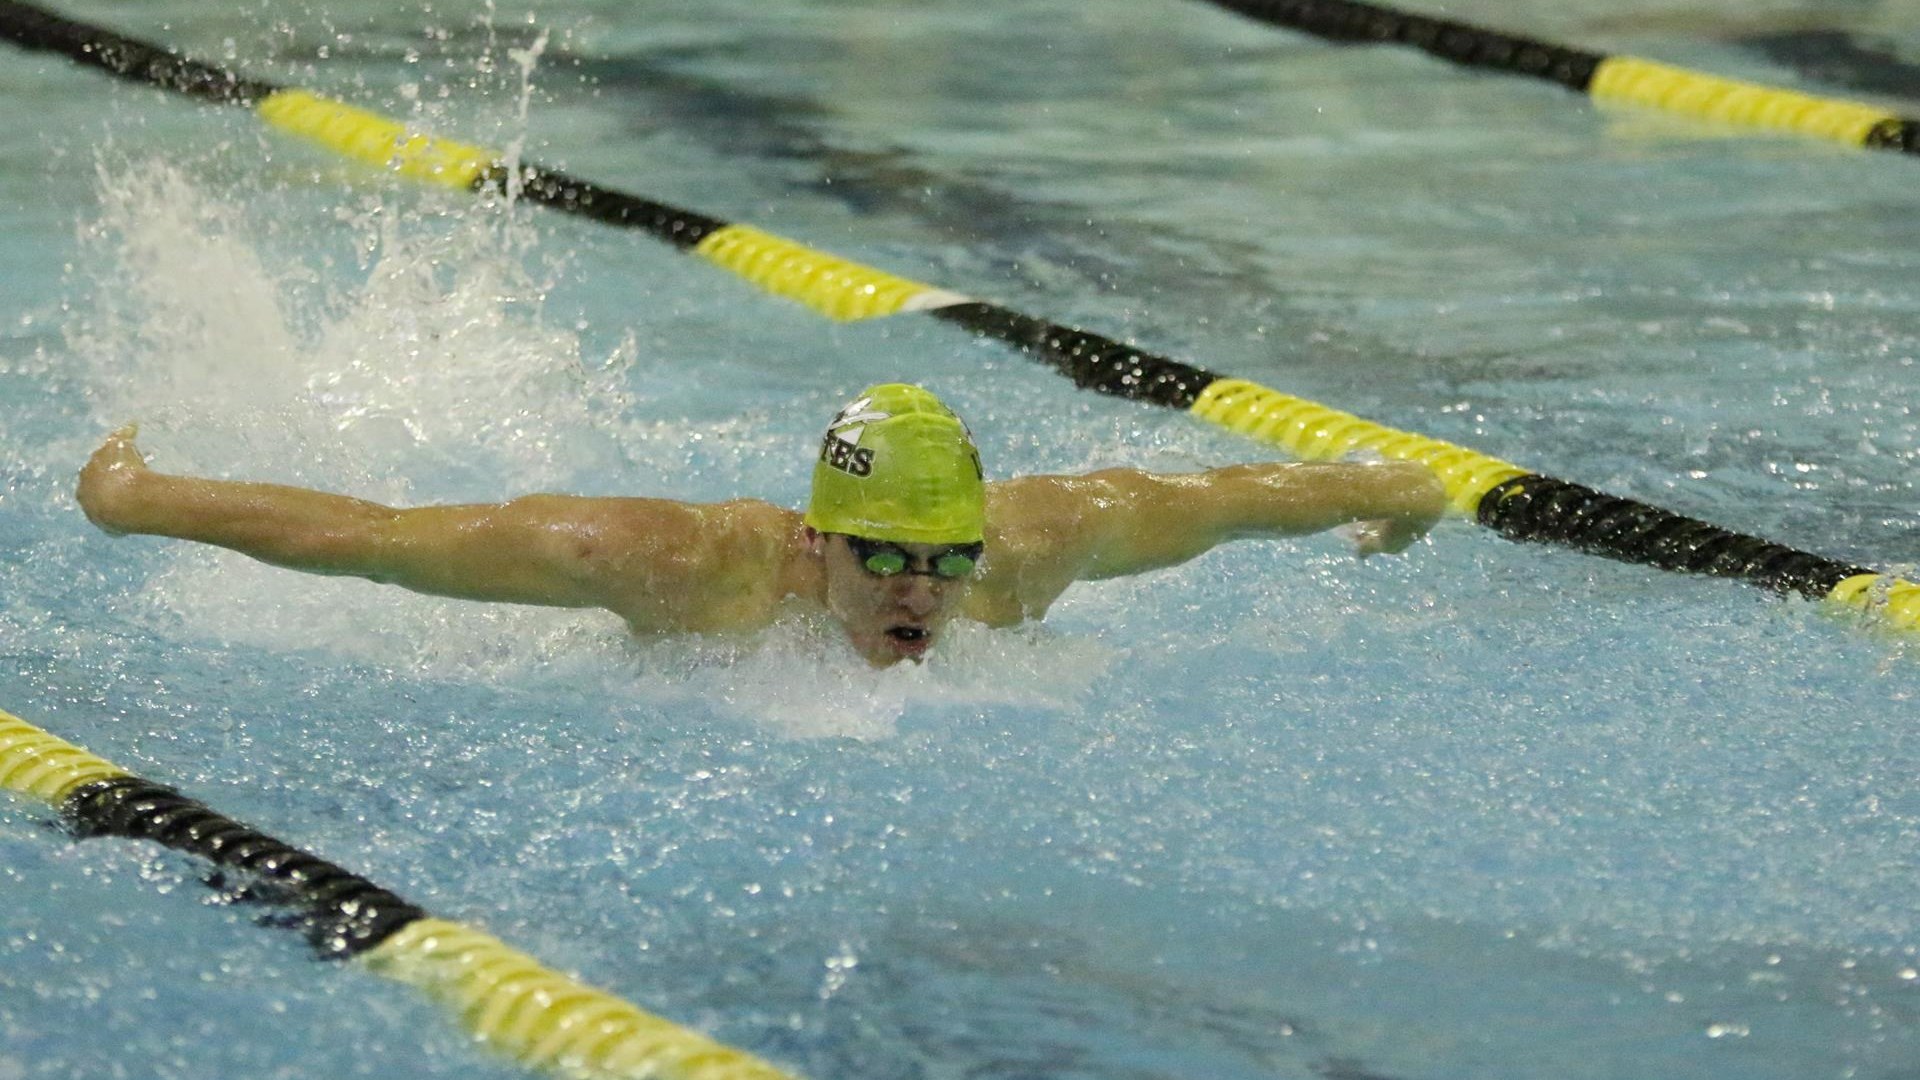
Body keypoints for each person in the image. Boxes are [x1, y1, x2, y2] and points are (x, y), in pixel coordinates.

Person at [75, 384, 1445, 666]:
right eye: (887, 561)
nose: (925, 597)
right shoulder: (673, 568)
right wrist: (137, 502)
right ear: (811, 541)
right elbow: (372, 533)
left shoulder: (1034, 548)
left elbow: (1241, 498)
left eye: (946, 563)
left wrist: (1410, 496)